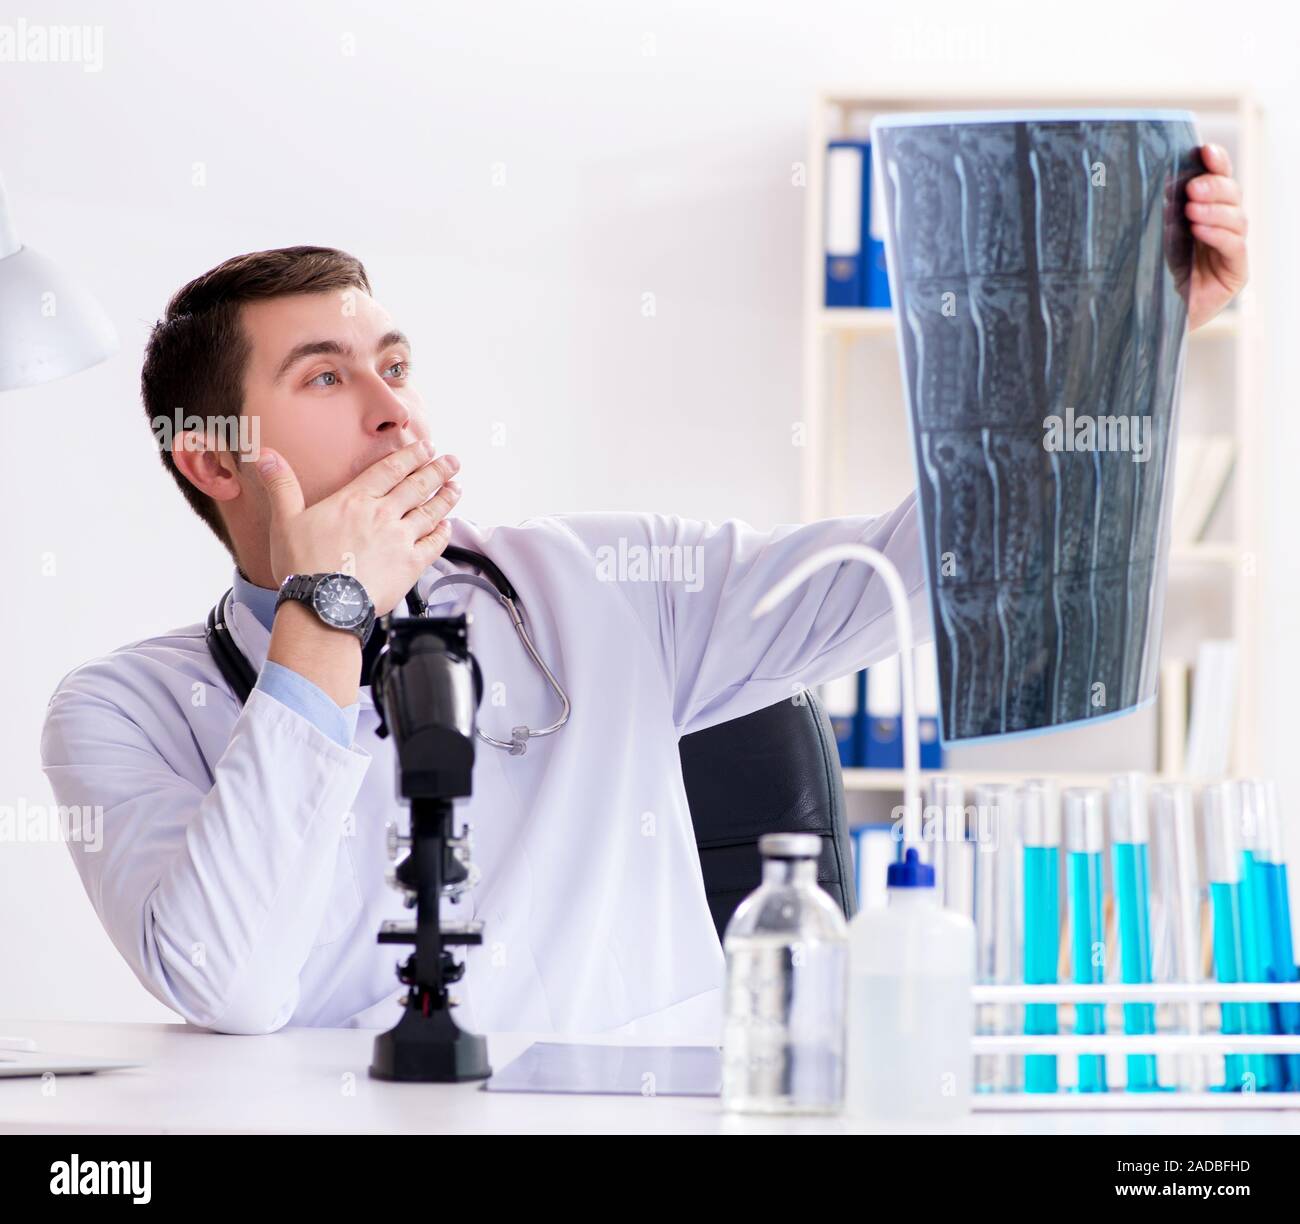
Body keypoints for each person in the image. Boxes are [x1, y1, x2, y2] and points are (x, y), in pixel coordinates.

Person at [39, 146, 1248, 1038]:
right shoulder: (118, 711)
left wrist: (1134, 334)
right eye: (324, 377)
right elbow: (231, 988)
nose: (394, 410)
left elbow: (917, 570)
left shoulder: (598, 586)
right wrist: (326, 617)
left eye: (395, 367)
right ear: (210, 455)